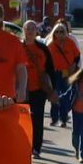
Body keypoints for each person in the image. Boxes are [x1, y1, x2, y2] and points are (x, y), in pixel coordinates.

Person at [20, 18, 53, 156]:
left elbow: (51, 69)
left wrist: (52, 89)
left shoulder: (43, 48)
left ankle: (36, 147)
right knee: (22, 120)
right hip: (22, 89)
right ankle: (23, 144)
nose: (30, 32)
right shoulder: (18, 46)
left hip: (39, 89)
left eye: (32, 29)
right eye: (27, 29)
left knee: (37, 119)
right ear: (23, 31)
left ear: (37, 31)